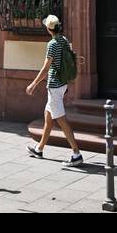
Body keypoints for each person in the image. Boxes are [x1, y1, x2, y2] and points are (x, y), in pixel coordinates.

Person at [25, 14, 83, 164]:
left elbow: (46, 68)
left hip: (55, 86)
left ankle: (76, 154)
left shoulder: (52, 44)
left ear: (49, 29)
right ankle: (39, 149)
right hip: (62, 84)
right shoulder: (63, 40)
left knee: (61, 120)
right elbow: (67, 58)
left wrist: (33, 84)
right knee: (48, 117)